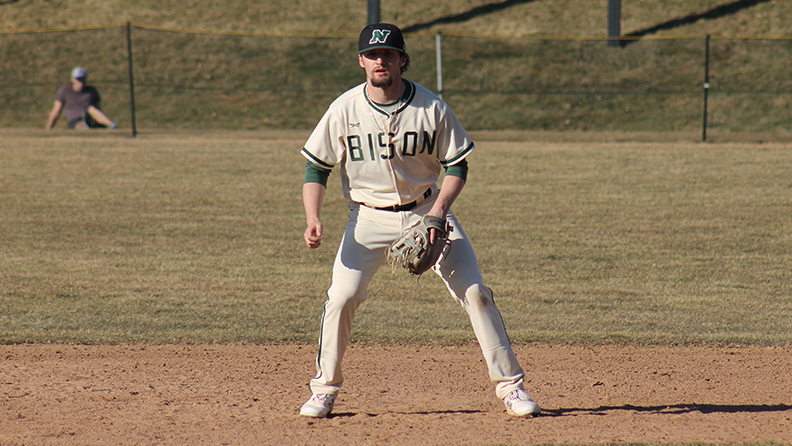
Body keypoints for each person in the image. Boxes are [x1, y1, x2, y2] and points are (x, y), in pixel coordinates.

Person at [298, 23, 541, 419]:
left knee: (476, 292)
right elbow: (316, 168)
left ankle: (511, 388)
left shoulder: (431, 107)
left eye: (389, 54)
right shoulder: (343, 109)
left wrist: (438, 214)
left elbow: (457, 165)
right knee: (340, 299)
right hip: (366, 218)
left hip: (426, 212)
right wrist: (312, 217)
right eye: (373, 55)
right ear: (361, 61)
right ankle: (324, 389)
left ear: (402, 60)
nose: (381, 61)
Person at [46, 66, 118, 130]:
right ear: (72, 80)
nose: (81, 83)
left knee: (91, 109)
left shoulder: (91, 91)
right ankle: (87, 129)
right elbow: (56, 112)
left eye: (83, 79)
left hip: (90, 118)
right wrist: (48, 129)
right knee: (80, 126)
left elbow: (98, 109)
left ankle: (112, 125)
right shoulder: (64, 92)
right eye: (78, 80)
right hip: (75, 121)